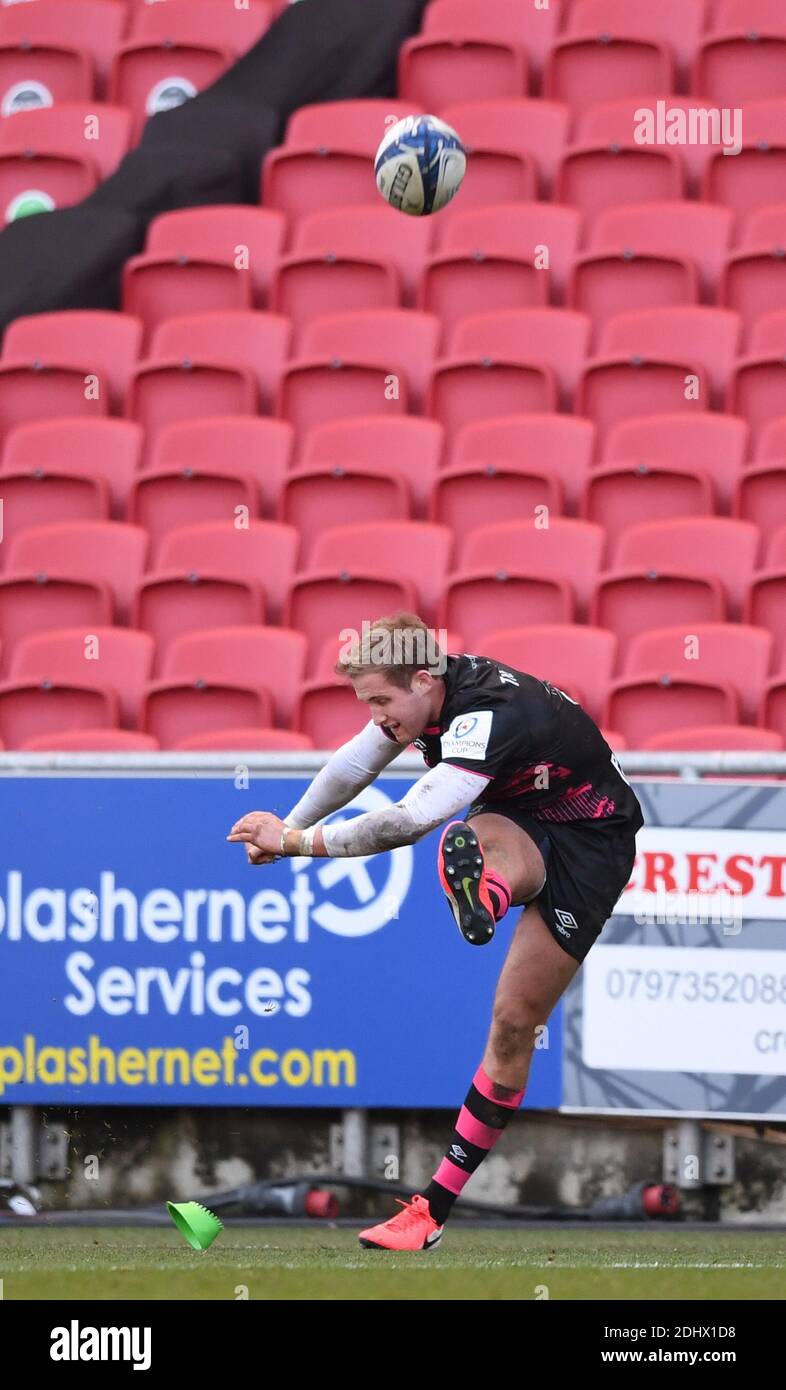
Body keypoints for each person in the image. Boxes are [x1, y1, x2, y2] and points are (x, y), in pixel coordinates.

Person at [227, 613, 644, 1251]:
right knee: (478, 872)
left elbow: (402, 823)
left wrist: (295, 842)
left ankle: (488, 893)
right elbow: (353, 766)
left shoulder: (488, 716)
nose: (376, 716)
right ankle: (427, 1215)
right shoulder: (428, 697)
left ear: (423, 680)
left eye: (380, 702)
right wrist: (288, 826)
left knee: (510, 1014)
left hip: (595, 844)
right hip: (520, 822)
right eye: (366, 702)